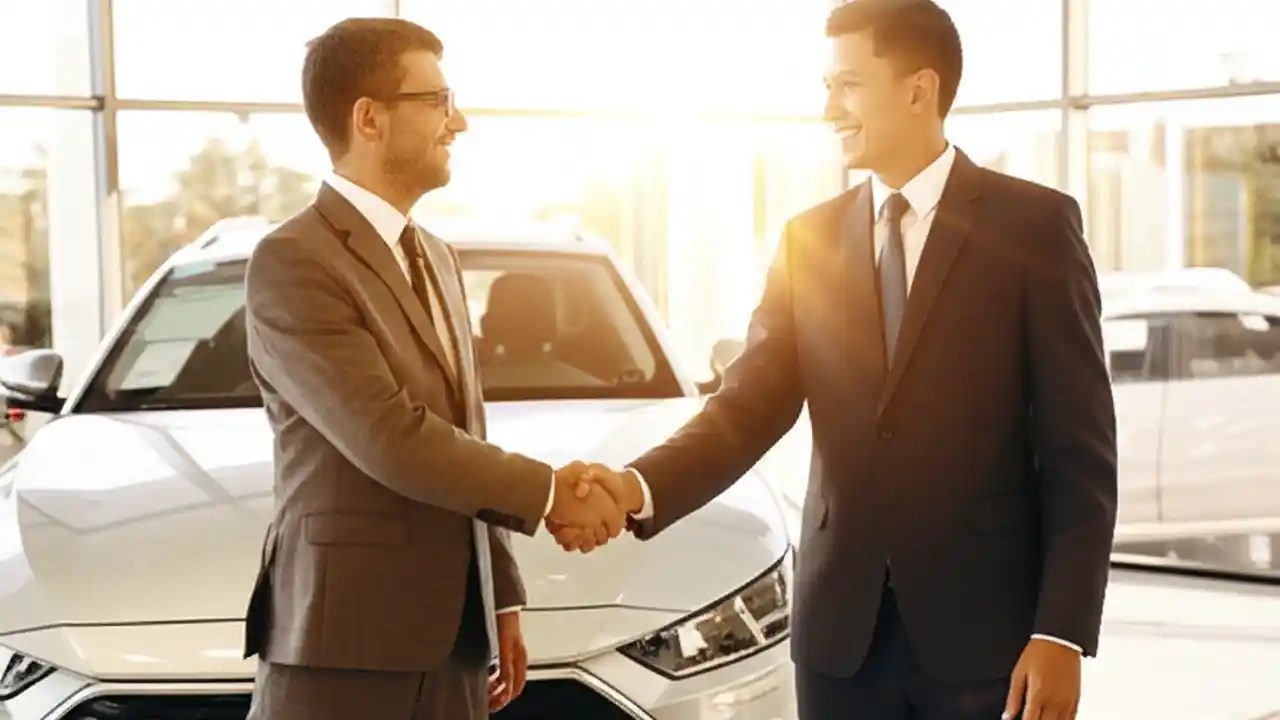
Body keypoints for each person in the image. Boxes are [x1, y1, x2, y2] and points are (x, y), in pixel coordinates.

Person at [555, 2, 1118, 718]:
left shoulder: (1035, 227)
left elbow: (1080, 451)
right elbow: (747, 408)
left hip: (988, 640)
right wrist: (635, 487)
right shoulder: (809, 239)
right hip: (840, 641)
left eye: (848, 85)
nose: (829, 111)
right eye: (827, 87)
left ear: (918, 90)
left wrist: (1061, 631)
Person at [241, 18, 623, 720]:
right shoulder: (293, 261)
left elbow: (462, 433)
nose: (460, 122)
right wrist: (549, 493)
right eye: (440, 101)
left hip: (457, 642)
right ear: (369, 119)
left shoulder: (439, 258)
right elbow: (389, 435)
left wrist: (501, 594)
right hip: (345, 643)